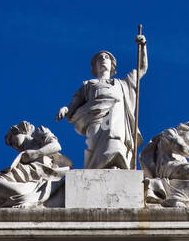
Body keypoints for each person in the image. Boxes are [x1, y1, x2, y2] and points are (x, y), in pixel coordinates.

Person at [56, 35, 147, 169]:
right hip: (94, 117)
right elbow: (75, 102)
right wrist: (66, 109)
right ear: (95, 66)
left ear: (112, 65)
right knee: (94, 146)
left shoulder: (122, 83)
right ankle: (96, 171)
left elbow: (142, 69)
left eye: (107, 57)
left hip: (116, 116)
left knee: (114, 136)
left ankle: (116, 165)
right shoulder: (88, 84)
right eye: (100, 58)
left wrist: (143, 46)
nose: (103, 59)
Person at [0, 121, 72, 209]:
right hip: (21, 173)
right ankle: (21, 196)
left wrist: (36, 153)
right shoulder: (23, 157)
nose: (13, 145)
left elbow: (56, 146)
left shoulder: (39, 132)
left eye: (13, 139)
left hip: (37, 173)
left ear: (22, 131)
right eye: (11, 144)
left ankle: (25, 197)